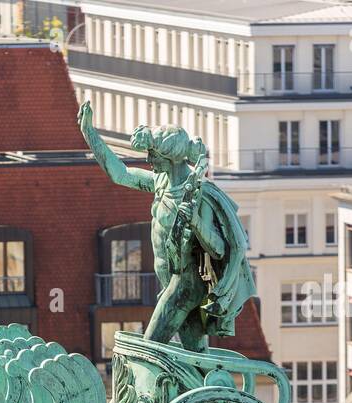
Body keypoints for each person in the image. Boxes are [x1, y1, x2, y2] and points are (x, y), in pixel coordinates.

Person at [79, 101, 254, 352]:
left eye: (154, 155)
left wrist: (194, 221)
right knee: (196, 354)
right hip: (169, 283)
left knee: (149, 349)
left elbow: (220, 248)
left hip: (184, 285)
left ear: (171, 158)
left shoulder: (198, 195)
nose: (149, 160)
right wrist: (90, 134)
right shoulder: (161, 182)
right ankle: (216, 386)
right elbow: (120, 174)